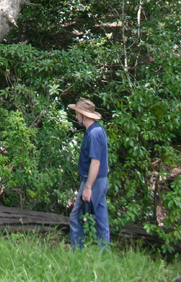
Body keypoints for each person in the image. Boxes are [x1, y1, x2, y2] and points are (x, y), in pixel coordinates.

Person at [68, 97, 110, 248]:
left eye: (77, 113)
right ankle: (104, 252)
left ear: (84, 115)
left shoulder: (93, 134)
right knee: (101, 218)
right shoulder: (97, 131)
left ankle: (77, 252)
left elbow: (95, 163)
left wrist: (88, 187)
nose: (76, 116)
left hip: (94, 181)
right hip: (100, 180)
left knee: (75, 216)